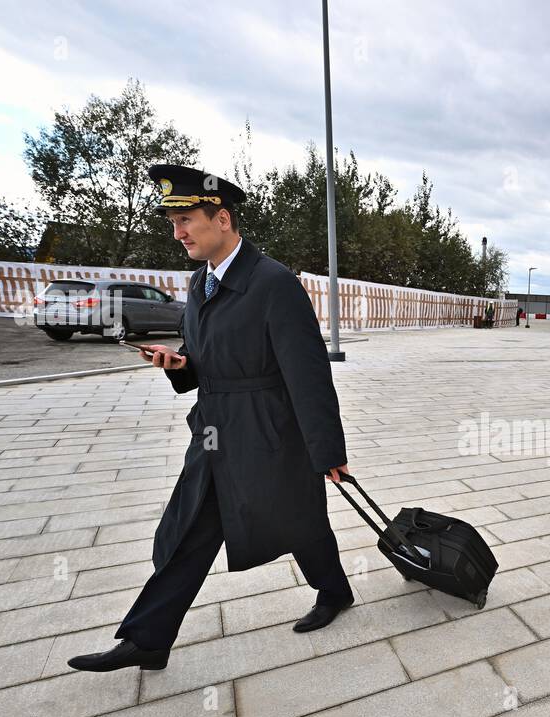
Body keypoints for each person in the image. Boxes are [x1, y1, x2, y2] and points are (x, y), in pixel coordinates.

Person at [68, 165, 355, 673]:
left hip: (270, 432)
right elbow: (204, 359)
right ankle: (148, 639)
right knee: (188, 530)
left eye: (185, 221)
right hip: (214, 431)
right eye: (172, 223)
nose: (177, 234)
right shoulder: (199, 283)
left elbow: (308, 374)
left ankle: (333, 591)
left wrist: (327, 450)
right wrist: (179, 365)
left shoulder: (274, 283)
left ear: (222, 219)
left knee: (301, 517)